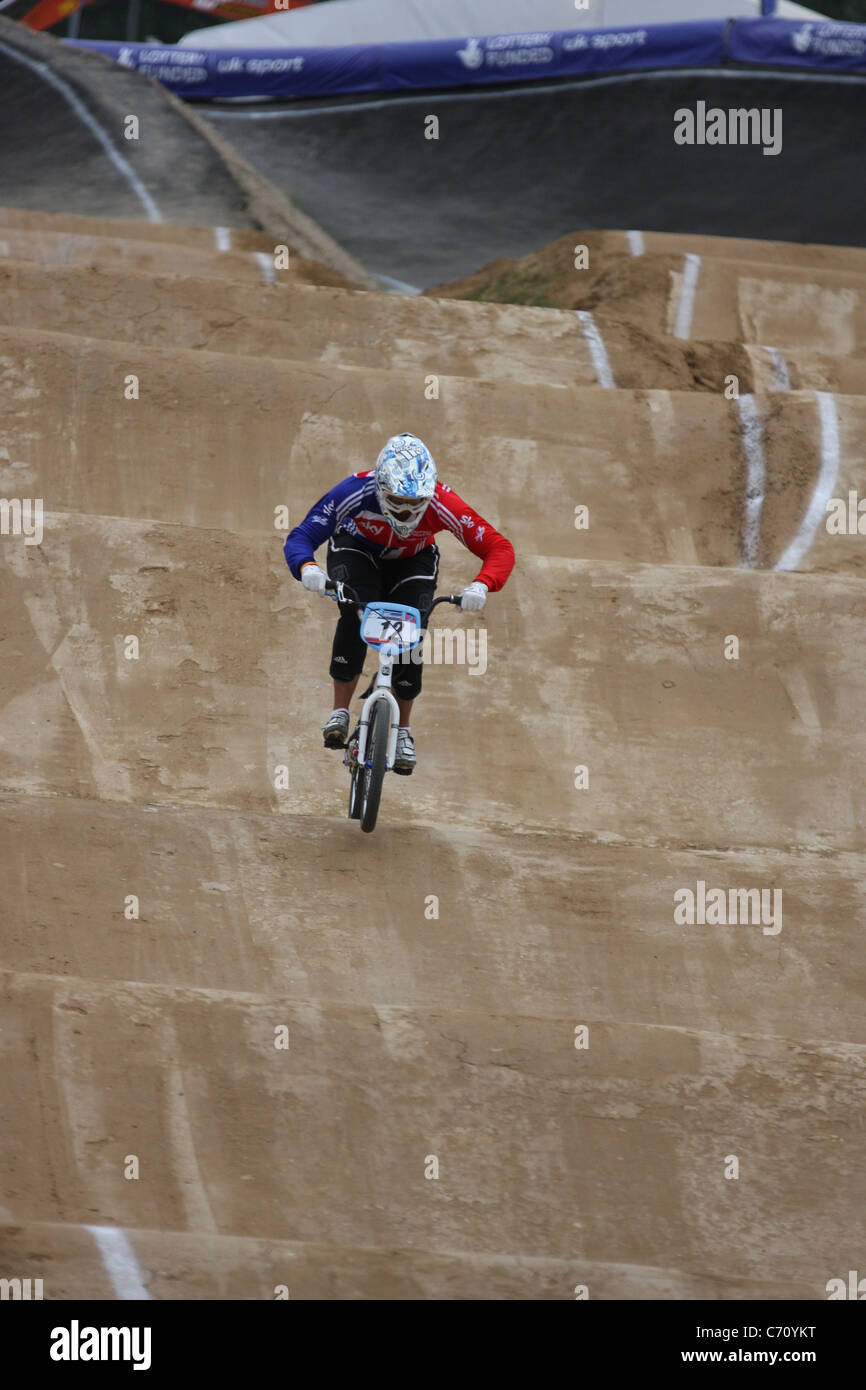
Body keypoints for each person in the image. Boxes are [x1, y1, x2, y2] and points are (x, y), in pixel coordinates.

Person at [284, 433, 515, 773]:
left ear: (429, 494)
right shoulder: (354, 491)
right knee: (356, 608)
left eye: (415, 504)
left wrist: (482, 586)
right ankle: (340, 711)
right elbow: (303, 534)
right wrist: (307, 567)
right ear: (379, 488)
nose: (406, 512)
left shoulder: (442, 502)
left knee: (414, 631)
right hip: (356, 549)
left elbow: (499, 548)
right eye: (396, 501)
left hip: (413, 560)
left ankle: (403, 730)